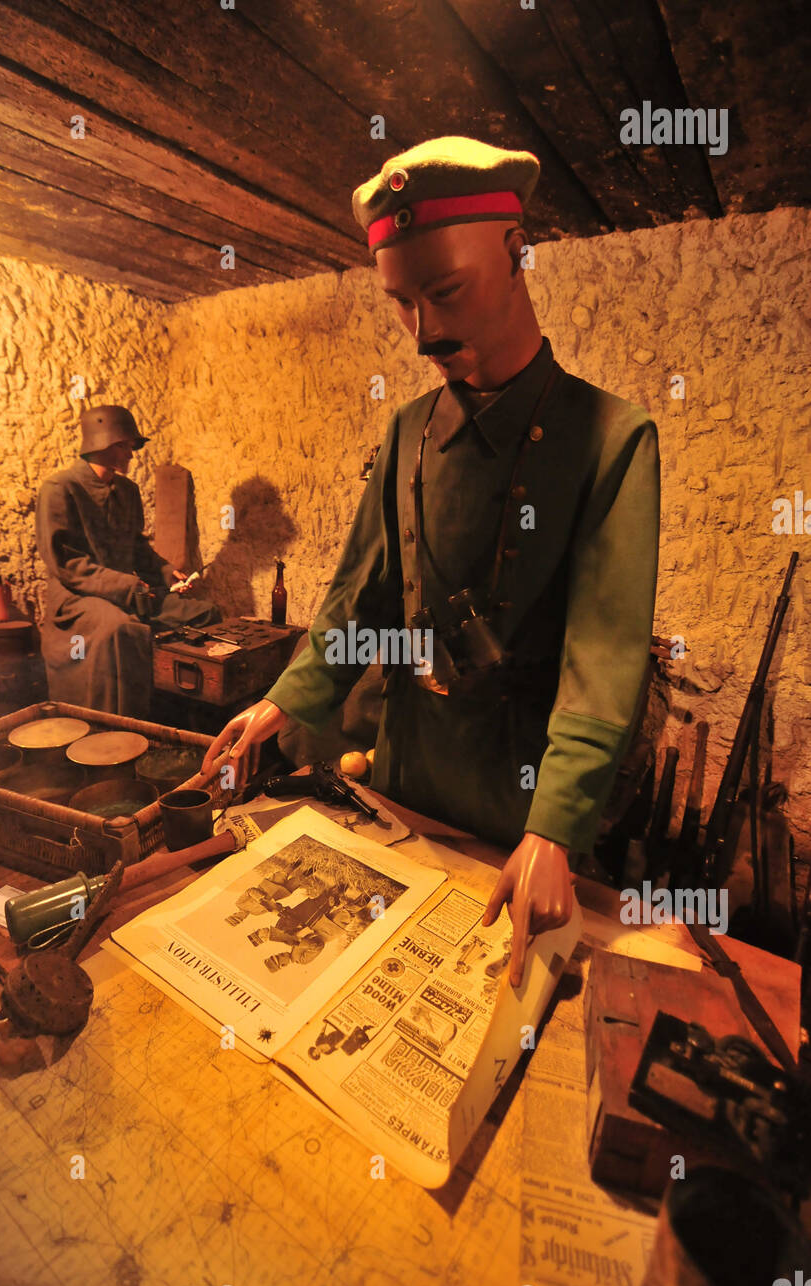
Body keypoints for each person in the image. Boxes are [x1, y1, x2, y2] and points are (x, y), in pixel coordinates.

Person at [202, 136, 660, 986]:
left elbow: (603, 656)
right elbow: (359, 599)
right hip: (404, 769)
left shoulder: (611, 438)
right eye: (400, 302)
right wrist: (279, 703)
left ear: (515, 252)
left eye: (444, 291)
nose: (423, 332)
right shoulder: (406, 431)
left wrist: (555, 827)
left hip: (520, 796)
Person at [36, 404, 220, 717]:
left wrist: (165, 573)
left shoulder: (127, 491)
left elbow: (136, 546)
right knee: (119, 629)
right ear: (101, 444)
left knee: (206, 615)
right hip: (77, 599)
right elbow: (66, 565)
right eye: (124, 446)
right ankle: (117, 730)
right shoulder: (60, 489)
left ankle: (184, 719)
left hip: (128, 594)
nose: (131, 455)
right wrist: (127, 586)